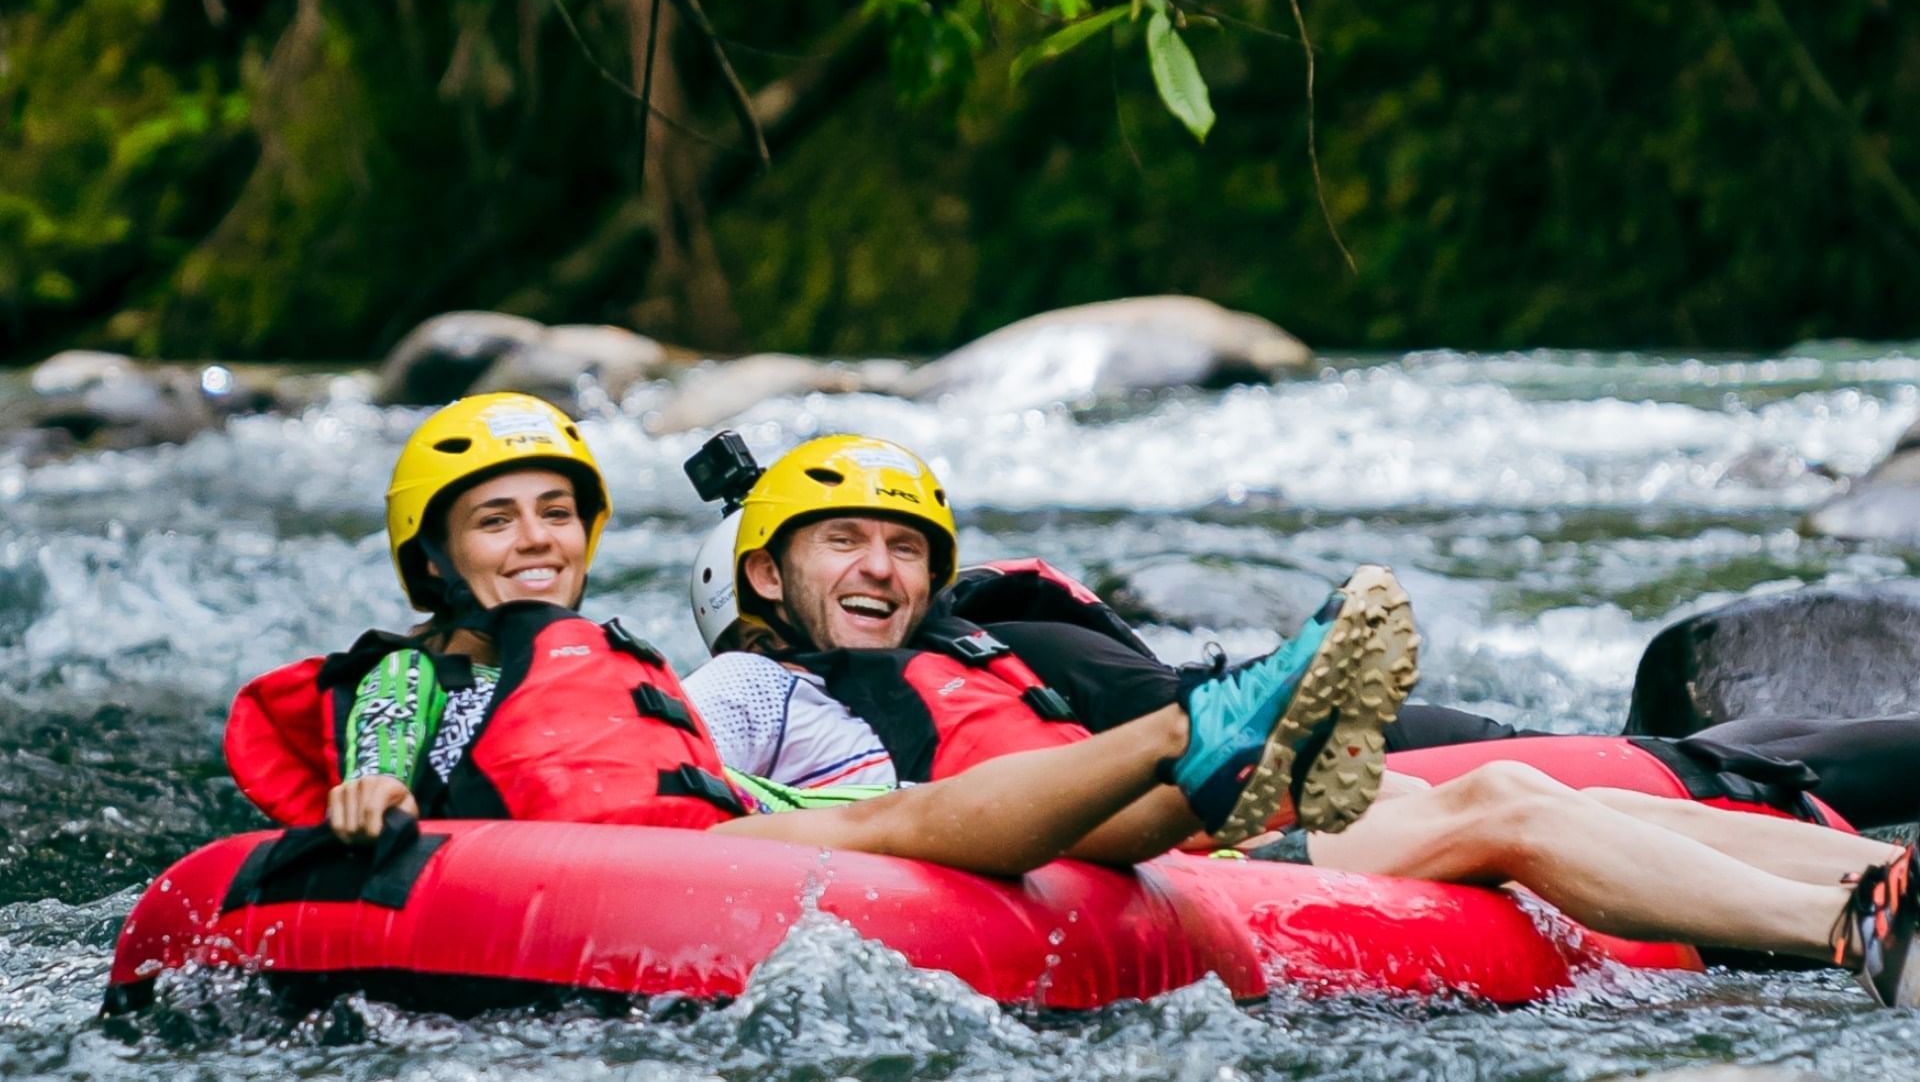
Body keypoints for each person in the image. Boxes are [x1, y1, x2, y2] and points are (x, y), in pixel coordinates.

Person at [679, 432, 1920, 1007]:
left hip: (1172, 827)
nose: (881, 568)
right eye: (842, 541)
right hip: (1142, 858)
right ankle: (1846, 924)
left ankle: (1890, 876)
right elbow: (687, 813)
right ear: (761, 577)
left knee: (1570, 799)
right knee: (1501, 807)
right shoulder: (751, 685)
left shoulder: (975, 655)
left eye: (905, 548)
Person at [224, 394, 1407, 902]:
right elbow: (381, 742)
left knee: (946, 812)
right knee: (898, 820)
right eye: (495, 519)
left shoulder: (606, 655)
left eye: (554, 513)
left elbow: (695, 762)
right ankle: (1192, 726)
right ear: (432, 560)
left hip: (718, 824)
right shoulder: (417, 666)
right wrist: (369, 791)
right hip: (599, 857)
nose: (535, 540)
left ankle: (1225, 768)